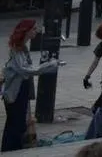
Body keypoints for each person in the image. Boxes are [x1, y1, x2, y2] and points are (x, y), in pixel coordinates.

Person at [2, 19, 59, 151]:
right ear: (26, 31)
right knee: (16, 124)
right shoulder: (17, 47)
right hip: (15, 91)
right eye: (34, 29)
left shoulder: (23, 46)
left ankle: (13, 149)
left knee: (18, 123)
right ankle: (9, 150)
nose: (36, 31)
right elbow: (25, 69)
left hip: (20, 88)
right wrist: (49, 65)